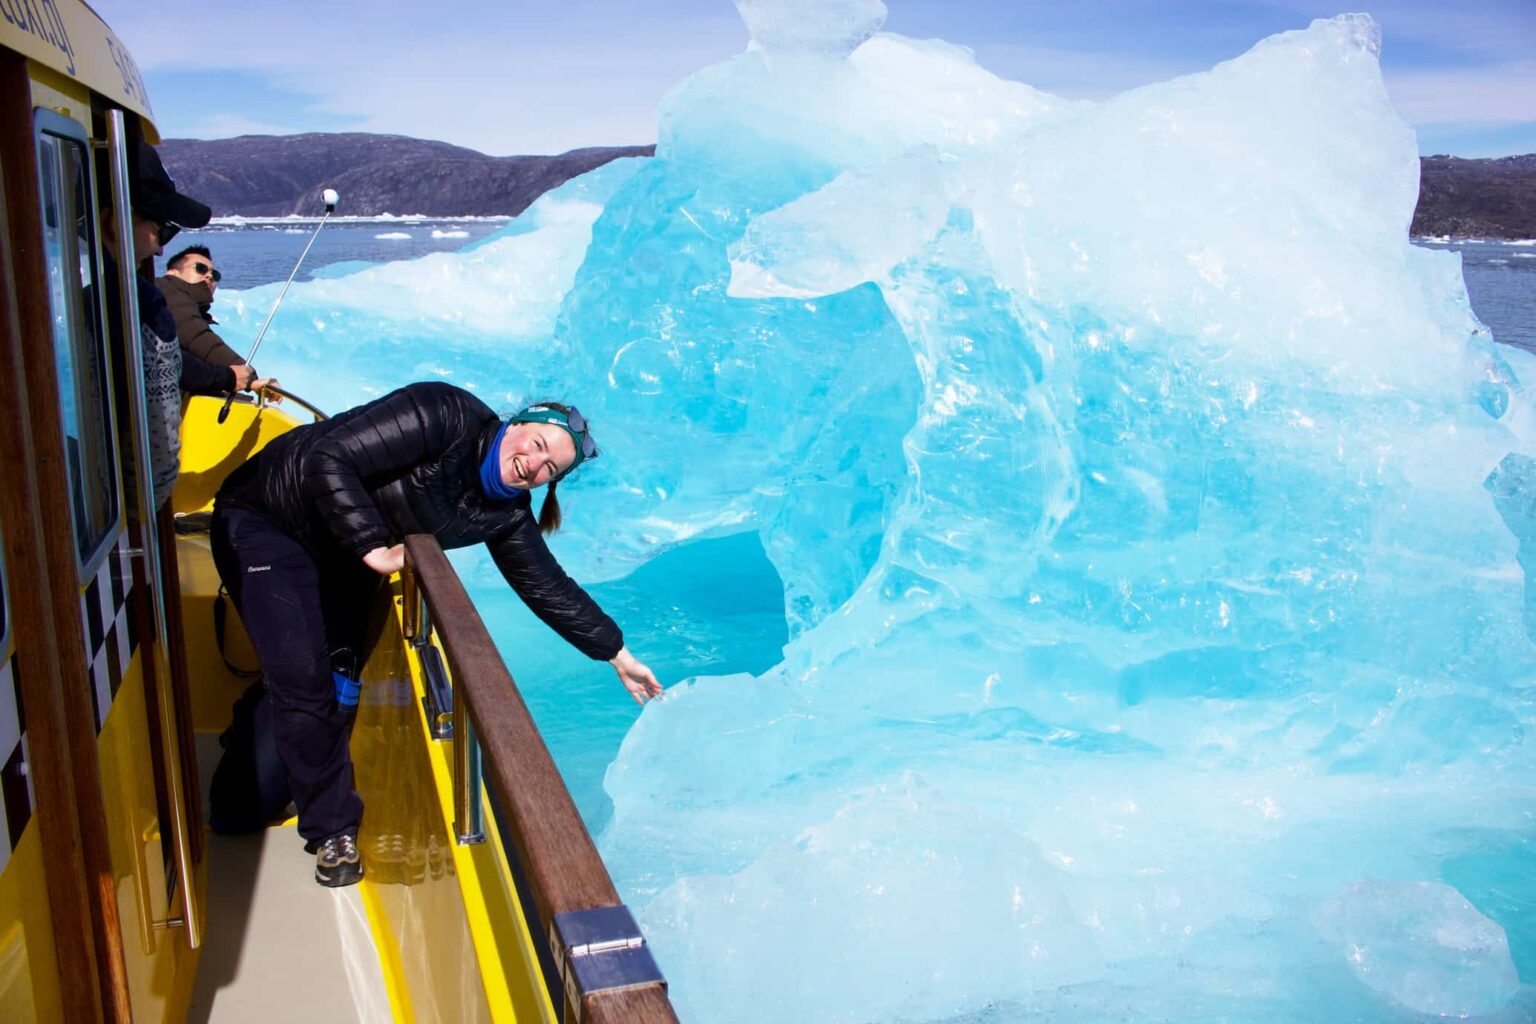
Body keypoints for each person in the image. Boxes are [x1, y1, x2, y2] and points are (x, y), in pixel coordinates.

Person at [210, 381, 663, 887]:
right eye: (536, 445)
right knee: (287, 714)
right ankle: (333, 829)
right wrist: (372, 547)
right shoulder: (443, 414)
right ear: (516, 424)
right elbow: (327, 456)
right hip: (269, 518)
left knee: (331, 695)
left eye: (549, 469)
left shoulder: (504, 514)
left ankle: (261, 709)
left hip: (342, 554)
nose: (533, 465)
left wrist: (616, 652)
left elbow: (547, 586)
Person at [103, 140, 265, 506]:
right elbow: (187, 349)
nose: (160, 247)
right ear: (117, 219)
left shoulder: (111, 291)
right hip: (130, 500)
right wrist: (237, 376)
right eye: (160, 229)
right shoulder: (145, 297)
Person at [158, 245, 267, 378]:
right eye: (200, 268)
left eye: (215, 274)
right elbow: (196, 336)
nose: (209, 276)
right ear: (173, 272)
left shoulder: (194, 310)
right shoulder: (167, 291)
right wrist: (249, 376)